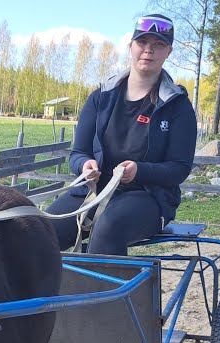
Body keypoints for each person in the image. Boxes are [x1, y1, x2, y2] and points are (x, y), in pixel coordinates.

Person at [47, 14, 198, 255]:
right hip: (94, 191)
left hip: (149, 197)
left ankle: (106, 293)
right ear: (131, 46)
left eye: (158, 44)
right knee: (39, 231)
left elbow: (179, 168)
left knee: (108, 226)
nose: (149, 50)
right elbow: (78, 153)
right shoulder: (101, 97)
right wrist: (84, 166)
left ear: (168, 51)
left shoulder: (177, 106)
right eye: (143, 43)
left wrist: (141, 170)